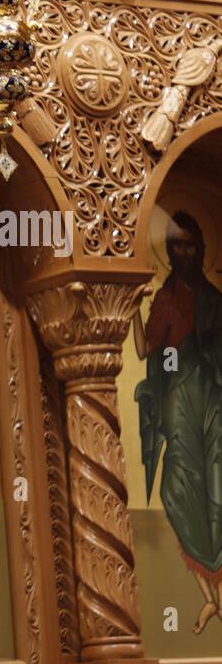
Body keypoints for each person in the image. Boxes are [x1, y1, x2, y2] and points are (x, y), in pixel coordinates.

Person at [135, 210, 222, 634]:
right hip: (177, 402)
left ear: (200, 247)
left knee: (218, 486)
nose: (182, 252)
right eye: (174, 245)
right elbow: (144, 350)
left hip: (213, 404)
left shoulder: (214, 300)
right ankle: (209, 599)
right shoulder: (165, 299)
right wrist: (129, 307)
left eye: (188, 244)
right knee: (178, 487)